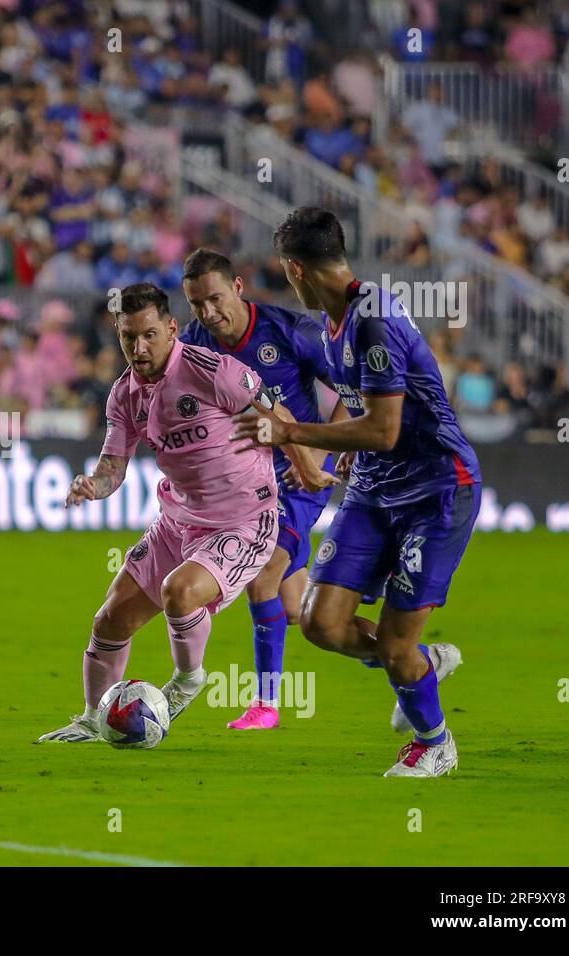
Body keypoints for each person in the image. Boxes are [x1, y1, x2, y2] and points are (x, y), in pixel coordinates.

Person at [234, 207, 482, 778]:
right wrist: (345, 445)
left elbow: (385, 428)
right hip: (373, 488)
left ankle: (434, 741)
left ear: (294, 269)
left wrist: (292, 431)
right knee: (322, 623)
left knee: (395, 647)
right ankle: (421, 665)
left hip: (436, 490)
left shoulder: (372, 320)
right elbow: (368, 420)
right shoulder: (335, 319)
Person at [37, 283, 321, 743]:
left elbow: (279, 414)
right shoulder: (123, 394)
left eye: (149, 334)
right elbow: (114, 467)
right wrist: (94, 485)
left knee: (180, 591)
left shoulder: (215, 371)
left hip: (244, 519)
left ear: (171, 329)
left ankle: (188, 680)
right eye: (128, 337)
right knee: (109, 620)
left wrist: (307, 466)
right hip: (178, 522)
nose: (138, 347)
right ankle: (92, 718)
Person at [179, 249, 342, 729]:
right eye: (196, 305)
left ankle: (265, 705)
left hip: (296, 476)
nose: (209, 314)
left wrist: (321, 454)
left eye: (214, 299)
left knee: (262, 571)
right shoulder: (193, 342)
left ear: (238, 287)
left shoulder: (289, 332)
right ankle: (414, 661)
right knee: (304, 616)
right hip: (242, 483)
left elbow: (357, 389)